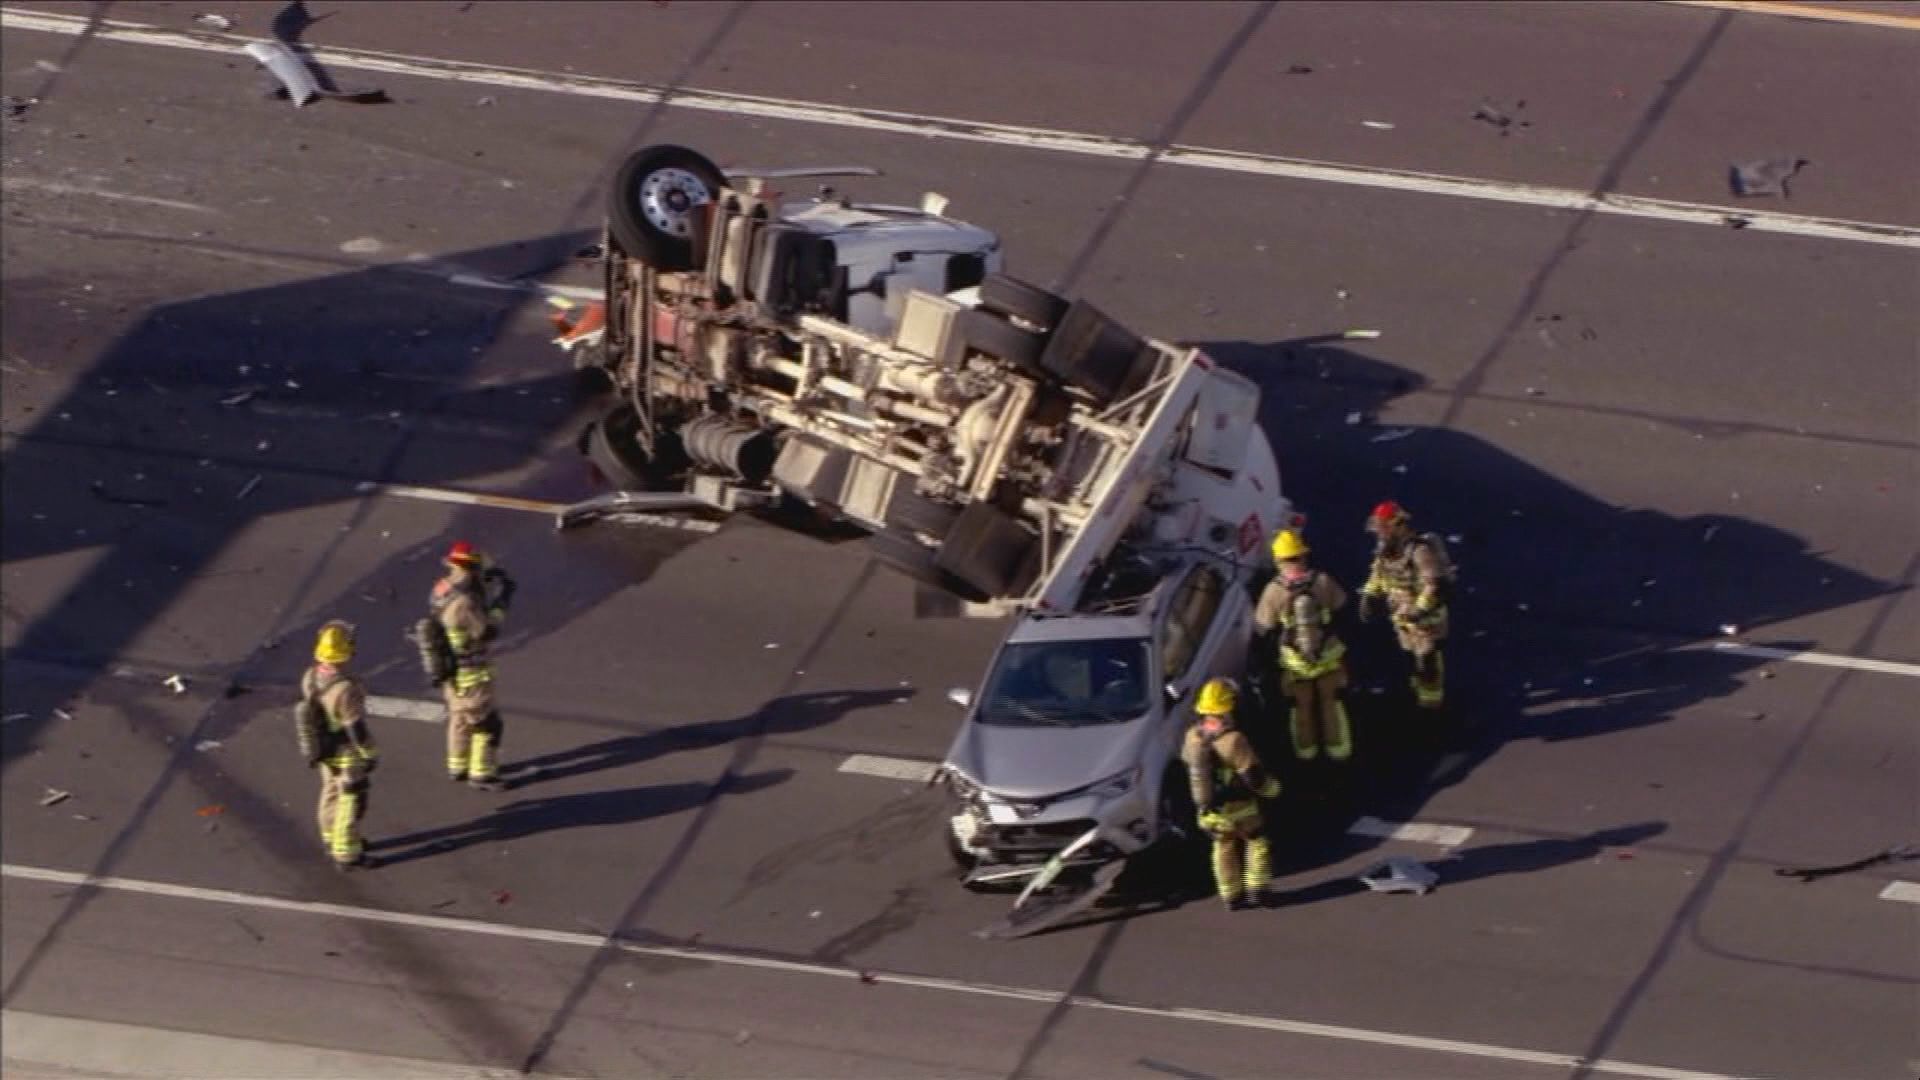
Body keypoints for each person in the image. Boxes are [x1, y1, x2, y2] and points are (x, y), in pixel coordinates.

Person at [1180, 677, 1283, 910]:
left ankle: (1231, 896)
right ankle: (1258, 890)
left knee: (1222, 848)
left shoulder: (1191, 737)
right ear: (1228, 709)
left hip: (1209, 810)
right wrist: (1274, 790)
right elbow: (1253, 777)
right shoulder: (1234, 740)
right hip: (1240, 807)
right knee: (1257, 842)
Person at [1253, 528, 1353, 761]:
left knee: (1301, 709)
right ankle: (1339, 751)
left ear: (1278, 560)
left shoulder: (1274, 591)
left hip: (1295, 663)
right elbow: (1342, 607)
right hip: (1328, 657)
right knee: (1332, 705)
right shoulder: (1323, 580)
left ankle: (1306, 753)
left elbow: (1262, 628)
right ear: (1303, 555)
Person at [430, 541, 516, 790]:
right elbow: (487, 631)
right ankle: (482, 772)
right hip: (472, 672)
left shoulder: (442, 588)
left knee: (458, 718)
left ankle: (457, 765)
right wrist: (501, 602)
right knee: (485, 722)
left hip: (450, 670)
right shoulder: (465, 603)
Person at [1358, 501, 1453, 709]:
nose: (1380, 534)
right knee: (1411, 657)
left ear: (1399, 525)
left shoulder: (1419, 551)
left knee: (1427, 660)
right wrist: (1369, 595)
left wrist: (1419, 609)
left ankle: (1432, 703)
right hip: (1402, 617)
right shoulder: (1386, 551)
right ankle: (1418, 692)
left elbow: (1433, 584)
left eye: (1384, 528)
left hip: (1426, 620)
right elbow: (1378, 573)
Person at [299, 620, 378, 870]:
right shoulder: (344, 689)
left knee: (330, 792)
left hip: (324, 748)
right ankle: (346, 853)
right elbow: (355, 726)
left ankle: (331, 837)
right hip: (346, 751)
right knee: (350, 799)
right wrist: (369, 752)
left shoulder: (310, 676)